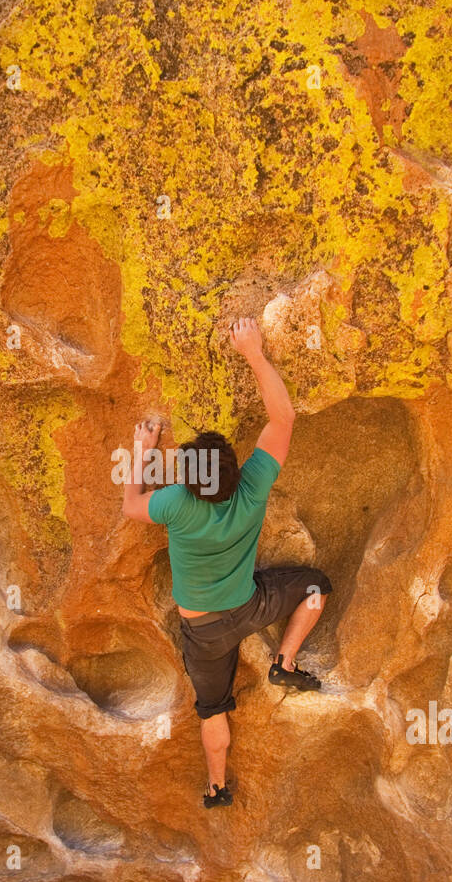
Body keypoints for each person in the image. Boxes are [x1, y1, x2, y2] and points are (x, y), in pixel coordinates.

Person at [122, 317, 332, 808]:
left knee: (212, 707)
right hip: (251, 607)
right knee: (317, 586)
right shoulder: (253, 486)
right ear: (236, 471)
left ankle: (217, 788)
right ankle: (285, 660)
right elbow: (282, 419)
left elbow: (132, 506)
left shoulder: (176, 502)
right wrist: (254, 354)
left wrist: (142, 452)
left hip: (205, 632)